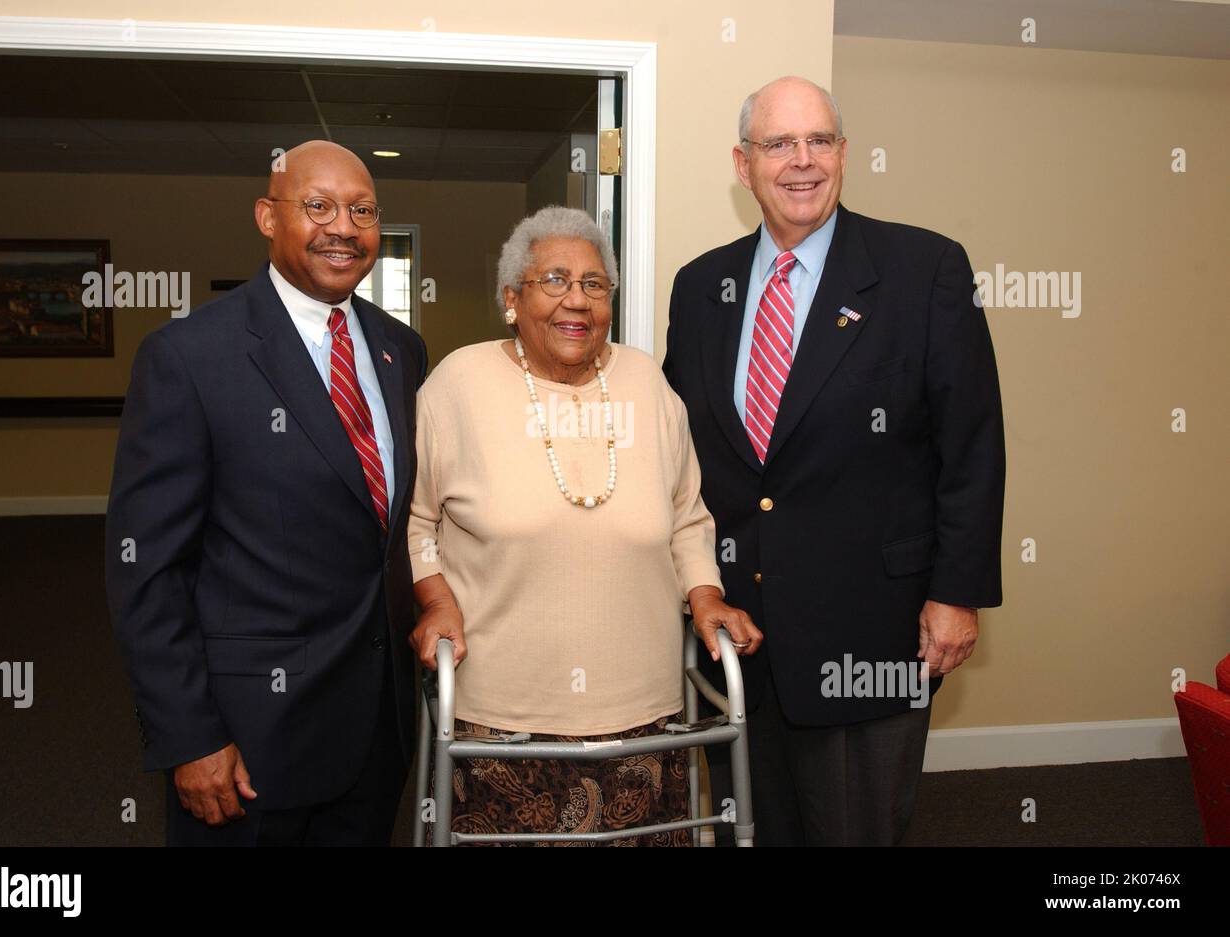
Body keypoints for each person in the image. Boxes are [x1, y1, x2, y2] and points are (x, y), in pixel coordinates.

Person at [664, 77, 1005, 845]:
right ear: (743, 164)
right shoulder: (700, 287)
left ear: (845, 155)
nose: (802, 161)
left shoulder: (925, 270)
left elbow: (972, 444)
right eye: (779, 143)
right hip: (739, 634)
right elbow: (679, 443)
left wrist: (957, 592)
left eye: (820, 140)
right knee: (756, 826)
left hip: (872, 633)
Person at [105, 141, 427, 846]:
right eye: (318, 206)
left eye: (363, 210)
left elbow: (396, 527)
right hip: (250, 741)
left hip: (378, 727)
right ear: (265, 216)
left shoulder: (401, 350)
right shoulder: (189, 356)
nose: (343, 226)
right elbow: (148, 570)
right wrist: (188, 735)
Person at [407, 206, 761, 845]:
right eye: (554, 281)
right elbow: (415, 519)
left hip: (643, 711)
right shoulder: (457, 384)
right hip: (504, 713)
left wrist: (706, 595)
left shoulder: (646, 382)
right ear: (511, 299)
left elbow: (687, 516)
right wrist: (434, 599)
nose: (577, 300)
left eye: (594, 284)